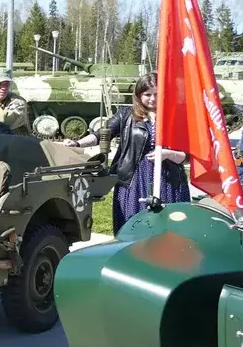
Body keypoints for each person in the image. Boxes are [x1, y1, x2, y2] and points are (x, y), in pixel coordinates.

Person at [63, 72, 190, 232]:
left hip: (169, 179)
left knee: (168, 228)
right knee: (132, 225)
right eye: (147, 94)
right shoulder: (125, 115)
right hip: (133, 179)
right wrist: (77, 143)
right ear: (138, 95)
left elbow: (189, 156)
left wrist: (168, 154)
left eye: (157, 94)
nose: (152, 99)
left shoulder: (176, 116)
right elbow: (102, 134)